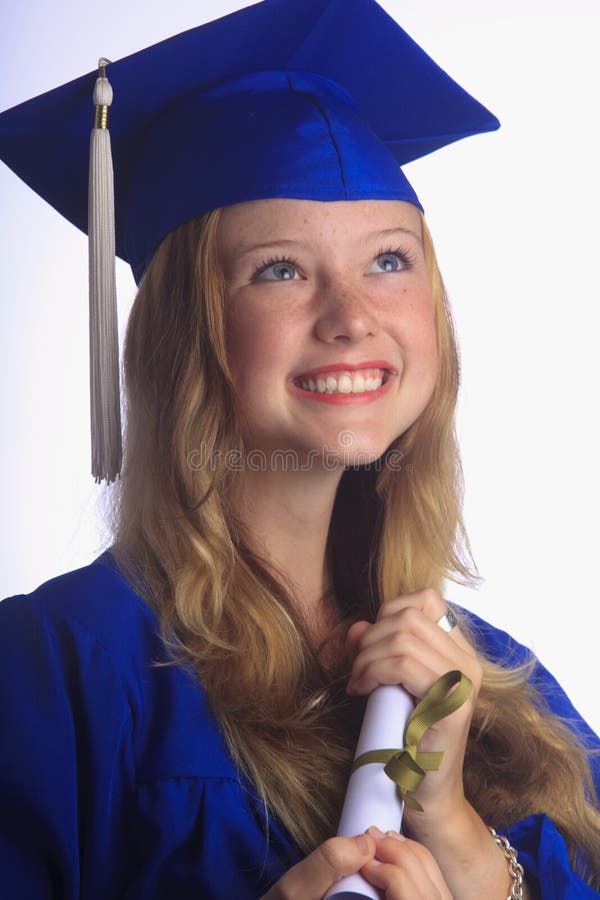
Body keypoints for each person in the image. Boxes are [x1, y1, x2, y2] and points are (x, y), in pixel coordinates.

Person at [0, 0, 598, 897]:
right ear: (184, 332)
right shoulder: (55, 677)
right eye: (279, 269)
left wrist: (456, 831)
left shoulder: (484, 681)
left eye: (390, 260)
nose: (353, 316)